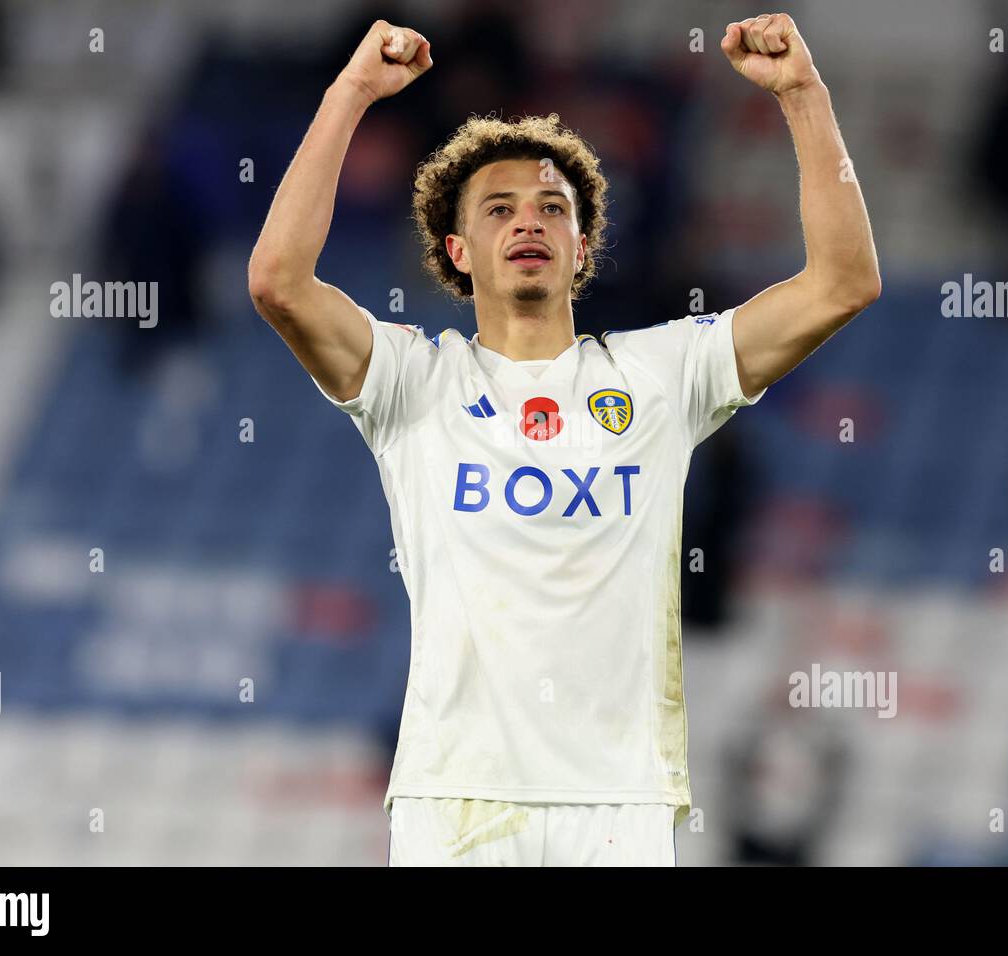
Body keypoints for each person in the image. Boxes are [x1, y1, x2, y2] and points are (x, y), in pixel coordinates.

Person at [248, 14, 879, 866]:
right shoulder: (415, 383)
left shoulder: (661, 376)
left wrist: (804, 95)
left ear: (582, 247)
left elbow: (843, 282)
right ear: (458, 250)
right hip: (457, 801)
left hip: (617, 805)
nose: (529, 221)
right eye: (499, 208)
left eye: (554, 206)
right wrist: (350, 93)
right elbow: (279, 282)